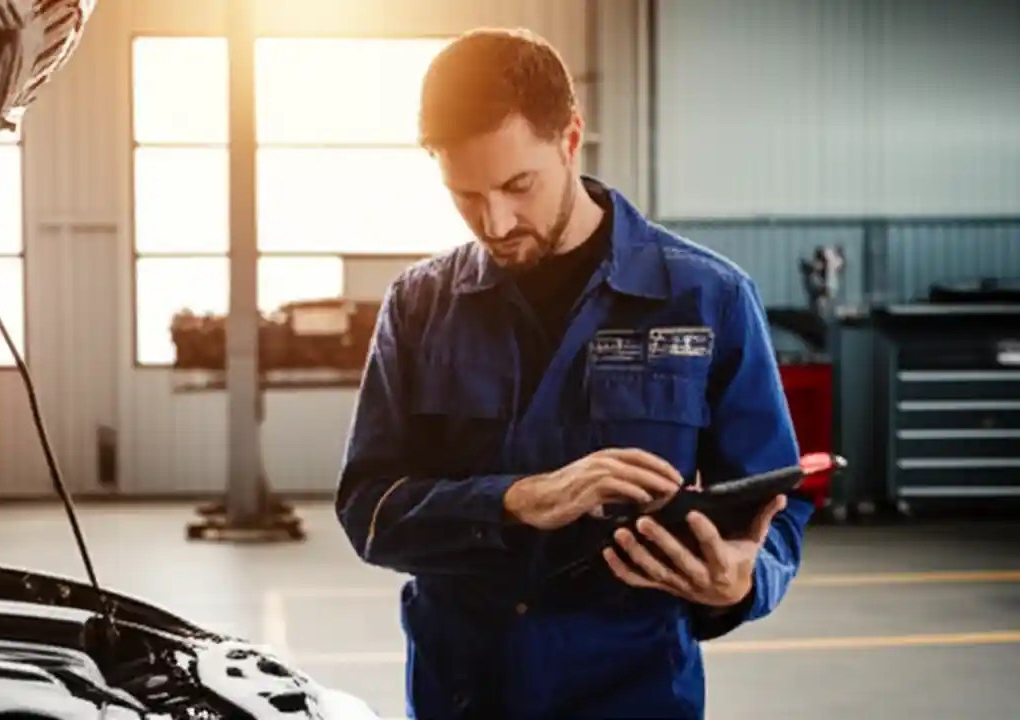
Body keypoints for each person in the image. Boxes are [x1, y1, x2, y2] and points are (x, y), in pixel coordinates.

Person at [334, 27, 814, 720]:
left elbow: (779, 506)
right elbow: (368, 512)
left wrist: (743, 582)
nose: (494, 221)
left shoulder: (708, 299)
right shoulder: (418, 307)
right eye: (464, 193)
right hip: (463, 694)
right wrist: (514, 500)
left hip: (633, 692)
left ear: (570, 137)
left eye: (517, 184)